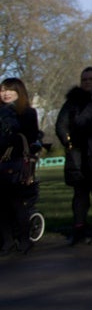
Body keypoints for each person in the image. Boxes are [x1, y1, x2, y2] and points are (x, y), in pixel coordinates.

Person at [55, 67, 92, 244]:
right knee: (80, 193)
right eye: (84, 79)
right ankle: (79, 228)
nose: (87, 82)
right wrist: (68, 142)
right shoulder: (73, 102)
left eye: (91, 79)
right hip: (78, 153)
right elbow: (61, 125)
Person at [0, 77, 40, 255]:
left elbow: (30, 137)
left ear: (19, 92)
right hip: (1, 163)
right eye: (3, 90)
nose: (5, 93)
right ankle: (7, 241)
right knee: (1, 206)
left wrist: (8, 138)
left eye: (10, 90)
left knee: (17, 203)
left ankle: (24, 239)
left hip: (16, 163)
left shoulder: (27, 113)